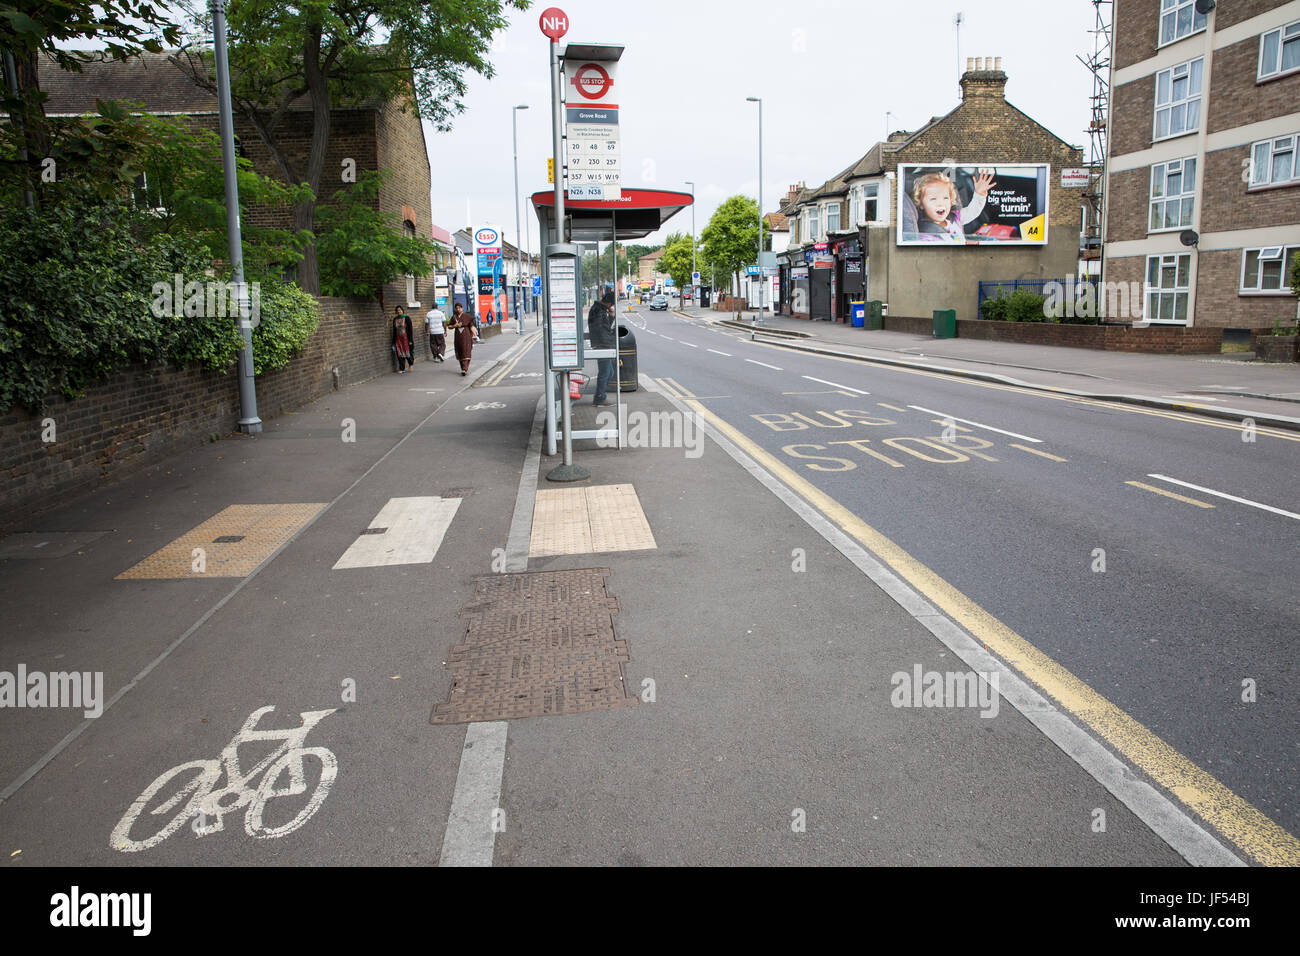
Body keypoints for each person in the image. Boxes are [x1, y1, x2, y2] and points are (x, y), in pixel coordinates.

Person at [906, 169, 995, 243]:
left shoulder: (955, 217)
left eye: (945, 198)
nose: (941, 203)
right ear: (921, 204)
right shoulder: (926, 235)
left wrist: (979, 194)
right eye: (933, 199)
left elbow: (972, 211)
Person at [587, 289, 617, 406]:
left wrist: (611, 316)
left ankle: (600, 395)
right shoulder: (599, 310)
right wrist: (608, 345)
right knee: (605, 373)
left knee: (609, 373)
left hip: (603, 344)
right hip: (603, 345)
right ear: (609, 303)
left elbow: (604, 326)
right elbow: (600, 329)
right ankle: (600, 398)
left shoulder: (600, 309)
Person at [451, 302, 475, 375]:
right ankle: (463, 368)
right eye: (457, 308)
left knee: (466, 351)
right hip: (458, 336)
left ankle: (465, 369)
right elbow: (449, 326)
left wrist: (474, 334)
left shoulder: (467, 316)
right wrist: (455, 325)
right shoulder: (454, 317)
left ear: (462, 308)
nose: (458, 309)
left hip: (466, 335)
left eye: (459, 308)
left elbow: (471, 326)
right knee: (460, 350)